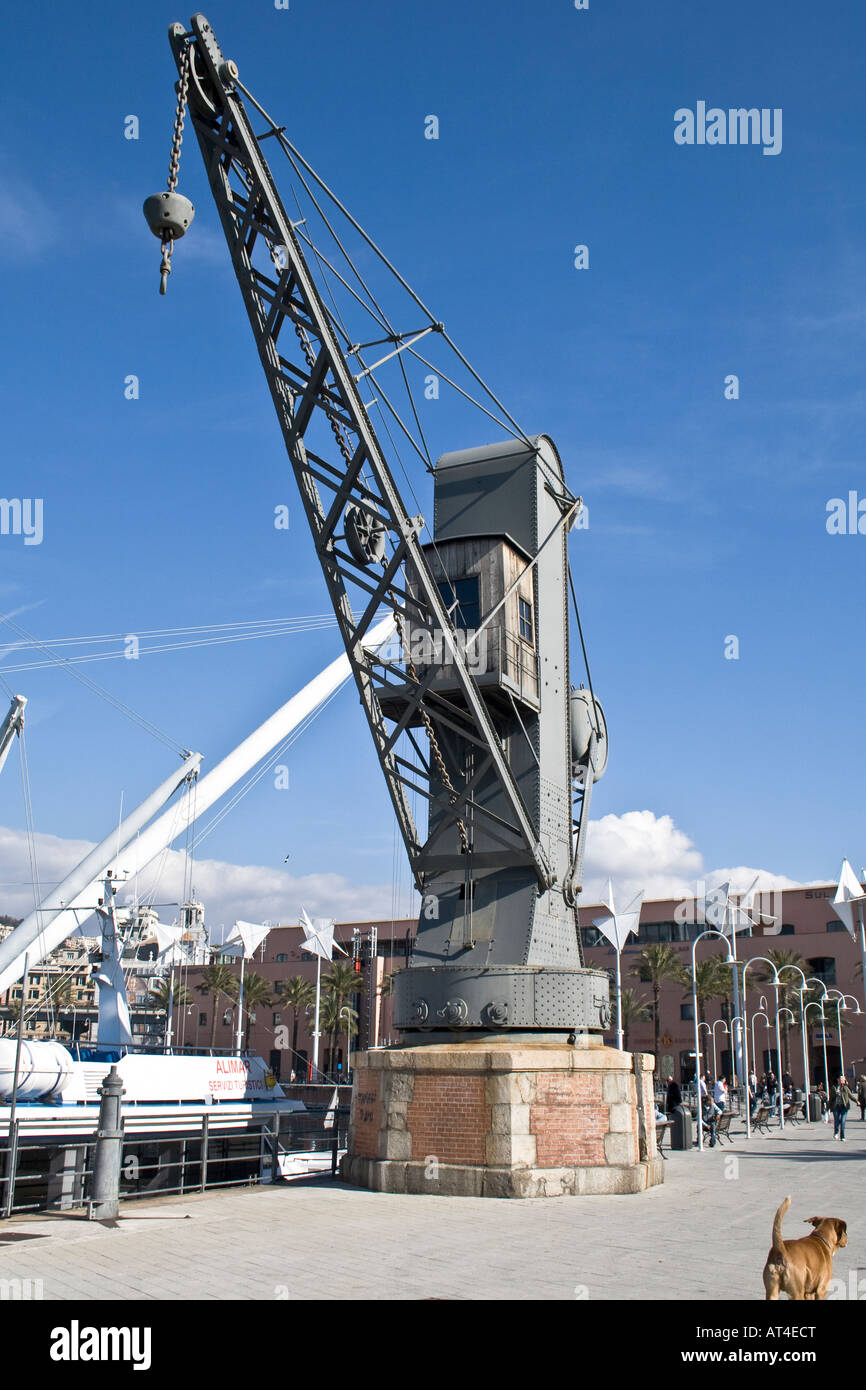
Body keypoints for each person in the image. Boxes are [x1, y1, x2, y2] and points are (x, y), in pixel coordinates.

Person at [831, 1075, 854, 1141]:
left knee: (843, 1121)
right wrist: (828, 1107)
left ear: (844, 1081)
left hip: (844, 1106)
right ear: (838, 1080)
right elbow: (831, 1098)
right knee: (837, 1121)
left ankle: (842, 1136)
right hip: (836, 1106)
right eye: (840, 1080)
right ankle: (836, 1132)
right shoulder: (834, 1087)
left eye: (843, 1080)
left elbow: (850, 1095)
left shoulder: (846, 1088)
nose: (841, 1081)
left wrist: (857, 1101)